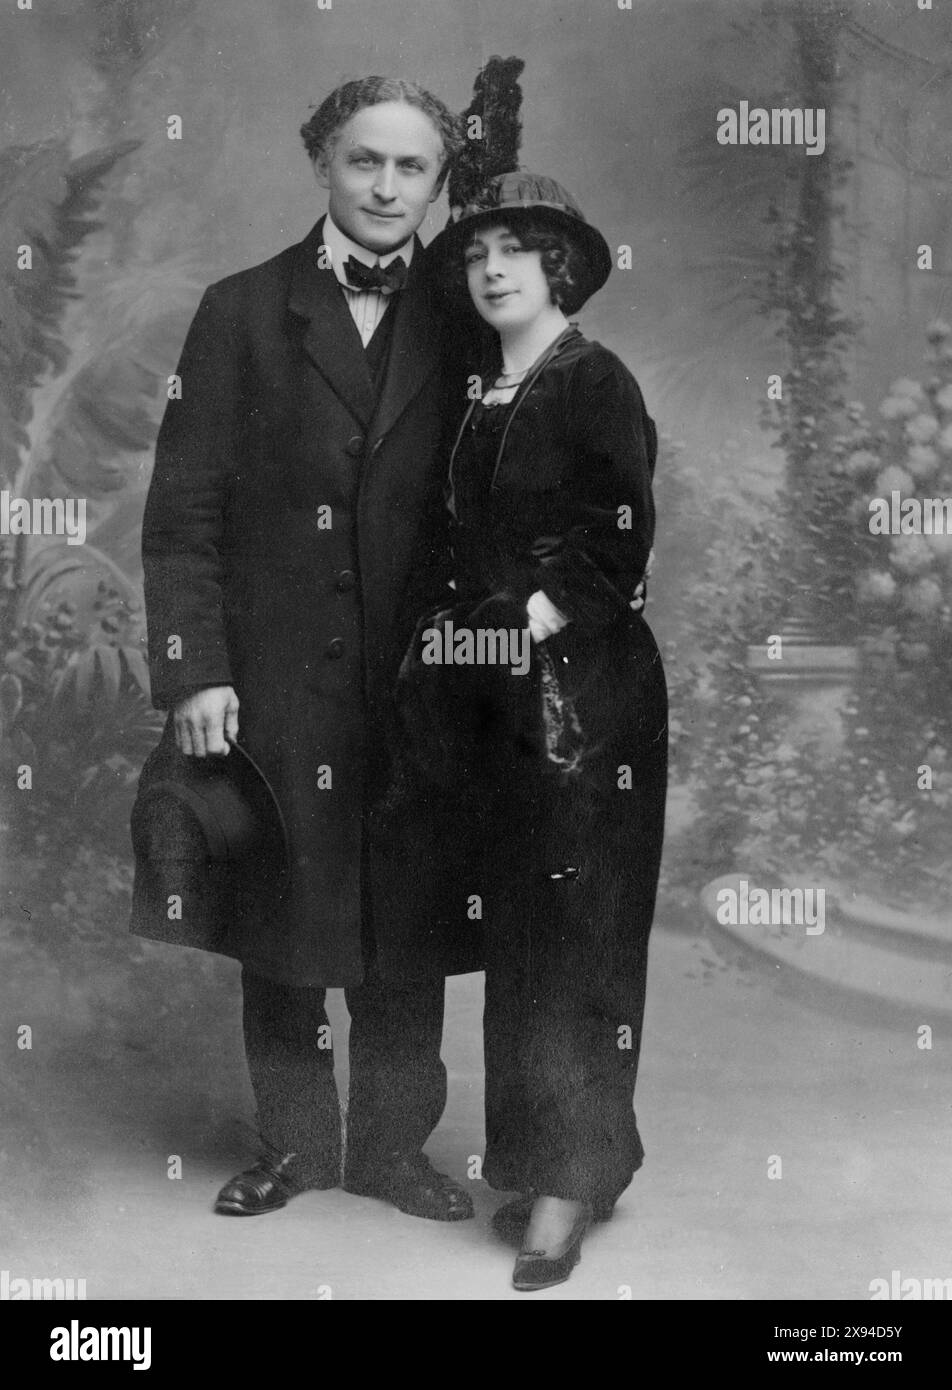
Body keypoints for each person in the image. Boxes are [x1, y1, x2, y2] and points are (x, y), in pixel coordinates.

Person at [138, 77, 483, 1223]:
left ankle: (392, 1147)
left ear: (439, 182)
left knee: (411, 919)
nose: (387, 188)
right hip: (276, 677)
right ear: (322, 165)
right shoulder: (239, 311)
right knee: (281, 917)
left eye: (412, 168)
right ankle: (294, 1145)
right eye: (363, 162)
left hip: (422, 683)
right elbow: (183, 508)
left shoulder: (471, 313)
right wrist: (194, 668)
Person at [415, 171, 668, 1288]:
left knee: (581, 938)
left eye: (517, 250)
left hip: (586, 705)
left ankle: (572, 1181)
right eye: (476, 255)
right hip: (503, 698)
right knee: (522, 937)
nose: (493, 270)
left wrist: (519, 621)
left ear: (558, 265)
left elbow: (614, 544)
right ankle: (537, 1156)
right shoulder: (486, 388)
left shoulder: (591, 380)